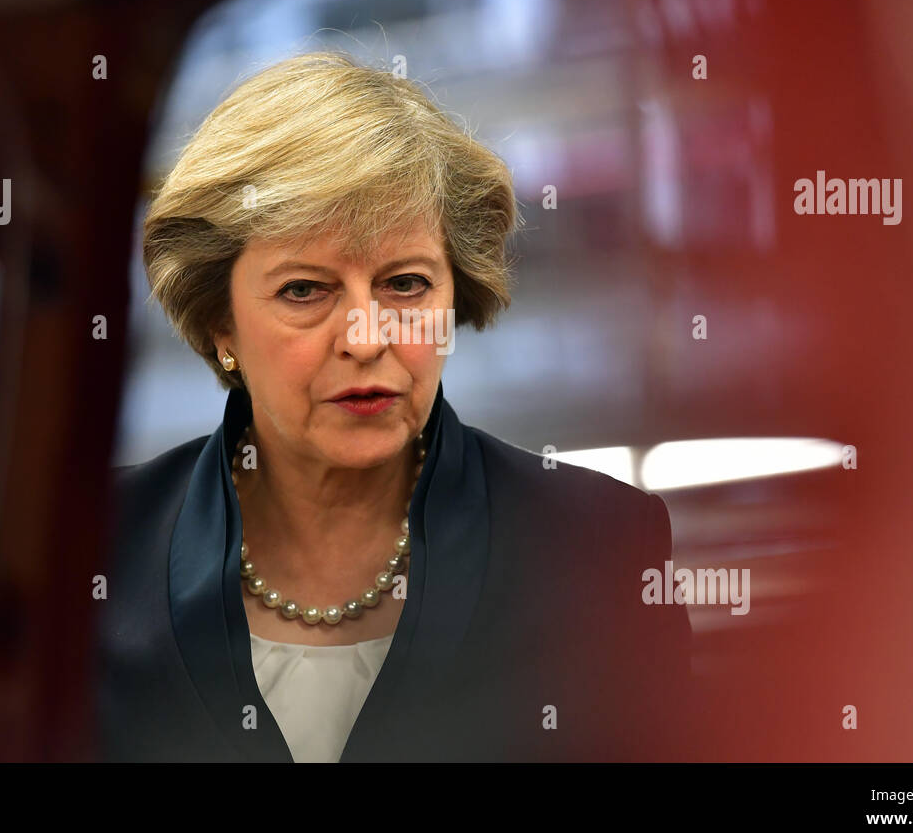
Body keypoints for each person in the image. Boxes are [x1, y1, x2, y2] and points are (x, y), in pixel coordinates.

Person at [97, 51, 691, 761]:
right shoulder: (92, 554)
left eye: (405, 285)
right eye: (304, 290)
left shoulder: (599, 548)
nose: (366, 337)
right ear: (221, 324)